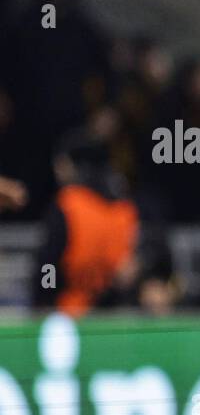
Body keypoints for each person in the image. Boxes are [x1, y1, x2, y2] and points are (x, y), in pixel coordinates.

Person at [32, 128, 139, 315]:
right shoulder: (125, 207)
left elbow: (48, 264)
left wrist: (43, 301)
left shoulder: (68, 203)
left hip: (68, 315)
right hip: (113, 318)